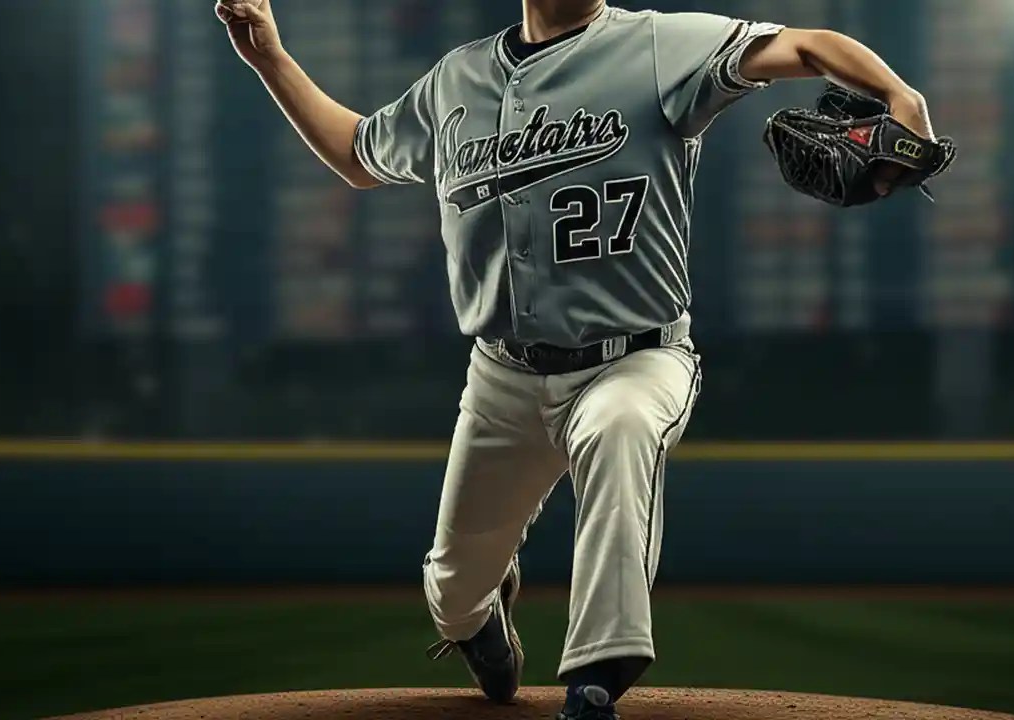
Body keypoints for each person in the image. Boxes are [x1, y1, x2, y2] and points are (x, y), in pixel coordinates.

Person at [215, 2, 938, 718]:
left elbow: (808, 46)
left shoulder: (661, 45)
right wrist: (269, 57)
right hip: (502, 377)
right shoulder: (456, 80)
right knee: (453, 591)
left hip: (635, 359)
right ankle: (480, 620)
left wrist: (900, 96)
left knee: (620, 428)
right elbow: (356, 153)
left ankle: (596, 679)